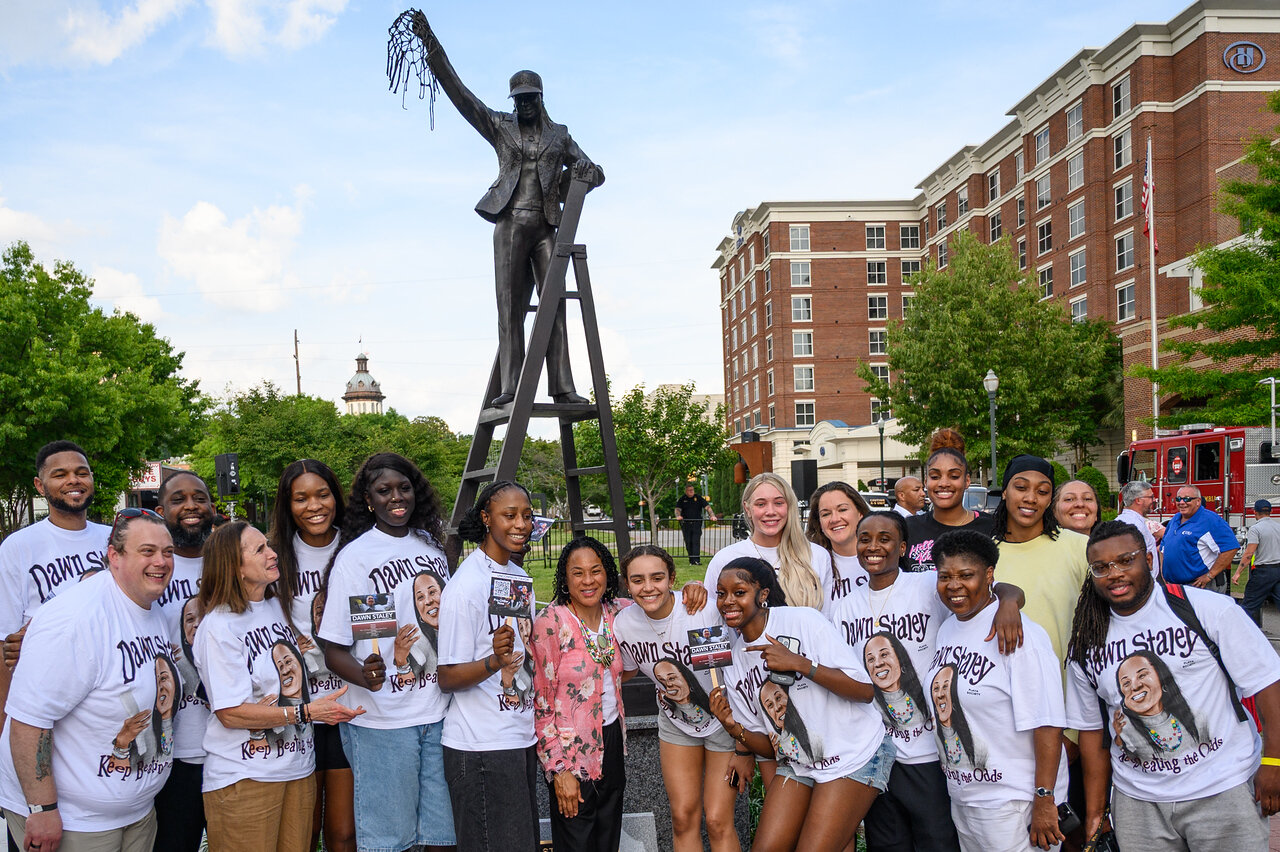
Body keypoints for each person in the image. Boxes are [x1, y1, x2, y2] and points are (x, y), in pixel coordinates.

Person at [410, 11, 603, 408]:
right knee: (509, 309)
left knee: (555, 307)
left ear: (541, 98)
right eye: (519, 100)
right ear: (512, 102)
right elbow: (461, 95)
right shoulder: (499, 126)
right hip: (511, 222)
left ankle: (563, 386)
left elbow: (595, 172)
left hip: (547, 228)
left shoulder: (559, 135)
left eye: (530, 98)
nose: (525, 105)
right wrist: (433, 48)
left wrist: (587, 169)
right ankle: (511, 386)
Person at [1065, 520, 1280, 851]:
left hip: (1224, 789)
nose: (1115, 573)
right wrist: (1096, 812)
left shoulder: (1207, 609)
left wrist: (1274, 761)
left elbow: (1266, 683)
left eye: (1126, 560)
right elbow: (1093, 735)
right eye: (1101, 567)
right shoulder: (1087, 642)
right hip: (1139, 803)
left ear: (1149, 561)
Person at [828, 511, 1025, 852]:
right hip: (876, 751)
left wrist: (1009, 601)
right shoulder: (843, 607)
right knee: (887, 844)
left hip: (928, 752)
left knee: (936, 841)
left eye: (885, 539)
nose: (874, 546)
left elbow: (996, 586)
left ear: (903, 547)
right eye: (865, 539)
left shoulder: (926, 587)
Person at [0, 508, 172, 851]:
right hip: (74, 823)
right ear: (114, 556)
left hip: (135, 813)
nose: (162, 561)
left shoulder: (150, 608)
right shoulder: (76, 618)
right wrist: (42, 808)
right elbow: (28, 722)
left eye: (167, 552)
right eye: (147, 551)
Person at [194, 521, 361, 852]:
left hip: (297, 771)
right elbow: (230, 713)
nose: (273, 554)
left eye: (268, 546)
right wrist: (308, 712)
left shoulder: (273, 607)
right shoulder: (218, 626)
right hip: (245, 778)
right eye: (260, 550)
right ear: (233, 566)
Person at [317, 453, 455, 852]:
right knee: (389, 843)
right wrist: (365, 675)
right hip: (382, 722)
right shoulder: (354, 557)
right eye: (384, 490)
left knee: (443, 837)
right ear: (367, 498)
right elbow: (334, 650)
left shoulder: (431, 546)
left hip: (440, 713)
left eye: (404, 488)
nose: (397, 497)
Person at [708, 556, 892, 851]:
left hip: (853, 754)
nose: (728, 601)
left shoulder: (803, 620)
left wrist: (802, 664)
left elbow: (864, 691)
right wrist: (733, 728)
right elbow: (772, 747)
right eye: (721, 593)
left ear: (763, 594)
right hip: (800, 761)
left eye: (739, 592)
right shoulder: (733, 662)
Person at [930, 529, 1069, 852]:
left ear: (989, 574)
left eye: (967, 575)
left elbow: (1047, 722)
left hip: (1014, 801)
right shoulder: (949, 627)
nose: (954, 586)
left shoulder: (1021, 635)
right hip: (966, 797)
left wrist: (1045, 799)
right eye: (945, 576)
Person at [614, 545, 739, 852]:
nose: (648, 587)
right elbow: (623, 671)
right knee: (682, 817)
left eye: (657, 577)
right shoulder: (624, 624)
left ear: (671, 578)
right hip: (675, 723)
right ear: (626, 584)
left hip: (724, 720)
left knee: (718, 820)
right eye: (637, 579)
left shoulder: (701, 610)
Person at [437, 480, 539, 850]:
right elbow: (446, 677)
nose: (521, 524)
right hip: (481, 746)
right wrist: (493, 661)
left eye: (526, 516)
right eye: (509, 515)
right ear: (486, 518)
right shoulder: (466, 586)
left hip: (518, 734)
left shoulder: (519, 576)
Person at [267, 459, 354, 852]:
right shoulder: (273, 556)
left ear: (336, 496)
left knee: (342, 833)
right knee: (301, 836)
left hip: (350, 705)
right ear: (287, 505)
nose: (314, 505)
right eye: (300, 498)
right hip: (296, 711)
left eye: (322, 494)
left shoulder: (356, 547)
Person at [0, 441, 110, 722]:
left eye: (82, 473)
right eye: (60, 474)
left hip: (109, 691)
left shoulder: (114, 539)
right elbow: (6, 643)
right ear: (40, 485)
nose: (74, 480)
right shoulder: (18, 547)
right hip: (46, 696)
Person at [531, 537, 629, 851]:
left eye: (596, 570)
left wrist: (693, 587)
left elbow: (658, 601)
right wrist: (558, 771)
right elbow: (541, 703)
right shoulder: (551, 622)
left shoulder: (618, 613)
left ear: (608, 574)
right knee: (577, 842)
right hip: (570, 752)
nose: (588, 580)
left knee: (607, 840)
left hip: (611, 740)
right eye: (578, 573)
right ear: (565, 578)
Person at [152, 470, 217, 852]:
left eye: (199, 498)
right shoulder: (150, 569)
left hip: (232, 746)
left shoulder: (232, 565)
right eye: (178, 499)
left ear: (211, 507)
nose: (191, 506)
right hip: (173, 751)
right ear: (161, 511)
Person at [701, 472, 833, 612]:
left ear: (789, 506)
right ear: (748, 509)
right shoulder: (725, 559)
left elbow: (827, 618)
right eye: (761, 504)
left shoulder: (817, 556)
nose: (770, 511)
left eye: (778, 503)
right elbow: (712, 617)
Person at [904, 429, 995, 573]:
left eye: (953, 476)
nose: (944, 483)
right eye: (935, 476)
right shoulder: (909, 528)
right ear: (926, 481)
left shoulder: (990, 527)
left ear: (967, 481)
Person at [1161, 485, 1238, 593]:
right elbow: (1163, 548)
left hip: (1201, 587)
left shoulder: (1210, 520)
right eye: (1178, 499)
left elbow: (1231, 548)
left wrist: (1209, 576)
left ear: (1198, 501)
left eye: (1187, 499)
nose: (1182, 502)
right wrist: (1164, 574)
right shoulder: (1174, 520)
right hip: (1174, 587)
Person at [805, 481, 872, 602]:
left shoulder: (883, 559)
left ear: (860, 513)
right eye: (826, 514)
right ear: (819, 523)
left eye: (842, 510)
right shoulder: (811, 564)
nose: (835, 519)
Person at [1234, 499, 1280, 625]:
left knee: (1249, 604)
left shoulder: (1256, 529)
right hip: (1278, 570)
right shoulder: (1278, 527)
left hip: (1264, 572)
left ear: (1255, 512)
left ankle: (1239, 633)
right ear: (1270, 511)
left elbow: (1249, 554)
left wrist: (1238, 573)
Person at [1115, 480, 1162, 577]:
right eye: (1151, 497)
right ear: (1138, 500)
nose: (1154, 500)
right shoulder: (1133, 525)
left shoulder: (1128, 520)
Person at [675, 483, 718, 566]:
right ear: (686, 491)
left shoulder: (698, 498)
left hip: (696, 523)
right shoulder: (682, 499)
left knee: (696, 541)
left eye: (692, 490)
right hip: (686, 524)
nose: (691, 492)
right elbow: (677, 509)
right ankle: (691, 560)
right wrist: (678, 516)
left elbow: (707, 507)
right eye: (689, 490)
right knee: (688, 542)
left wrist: (712, 515)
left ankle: (696, 560)